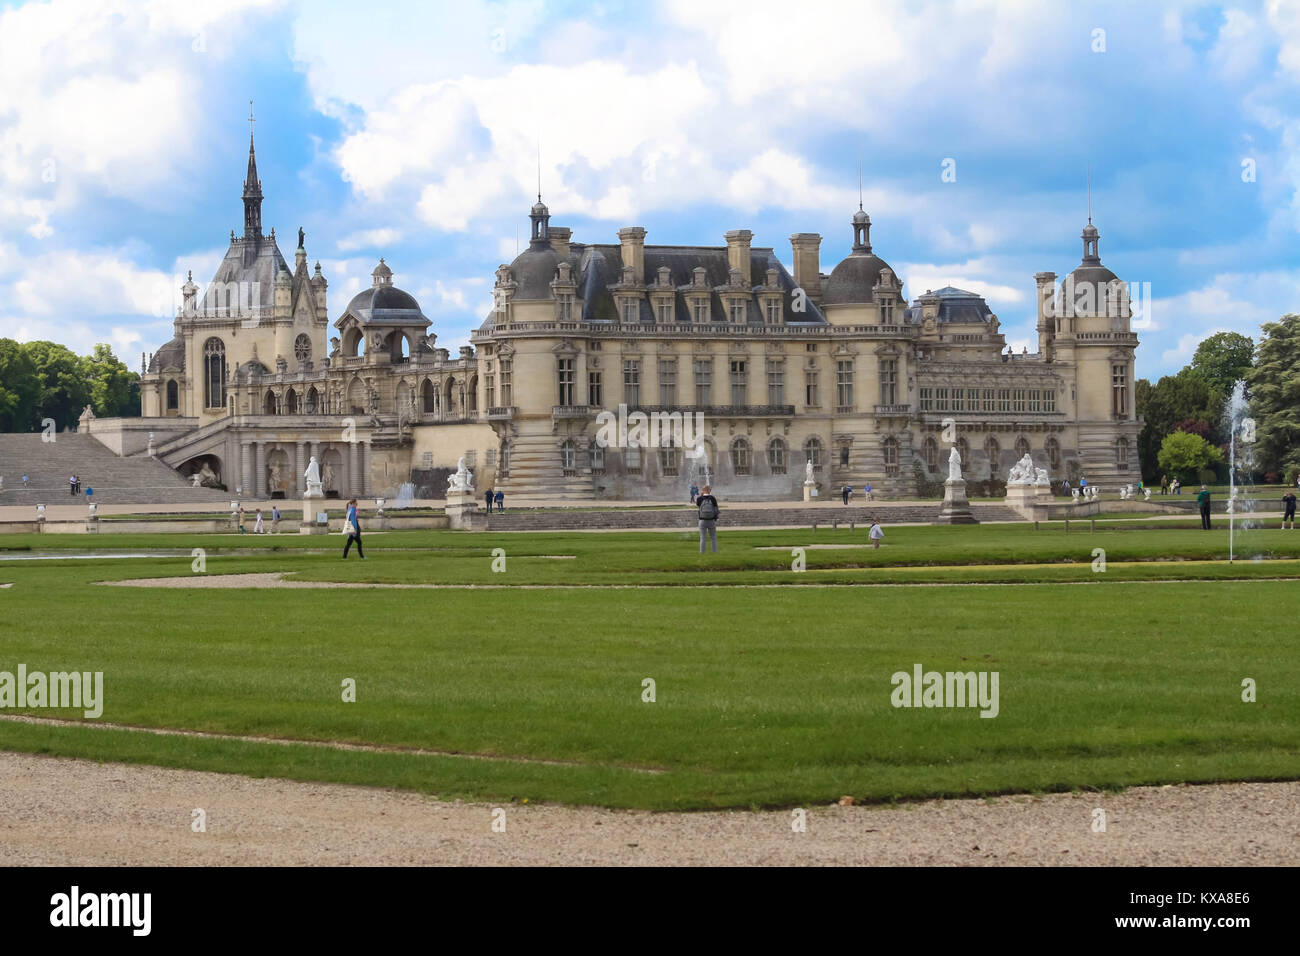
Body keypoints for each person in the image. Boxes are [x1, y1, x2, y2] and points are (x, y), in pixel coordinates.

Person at [696, 483, 719, 553]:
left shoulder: (699, 498)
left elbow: (697, 505)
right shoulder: (713, 498)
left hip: (702, 520)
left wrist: (701, 494)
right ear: (710, 490)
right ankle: (714, 552)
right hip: (711, 520)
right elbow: (716, 509)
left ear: (702, 490)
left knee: (702, 538)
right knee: (713, 538)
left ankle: (702, 552)